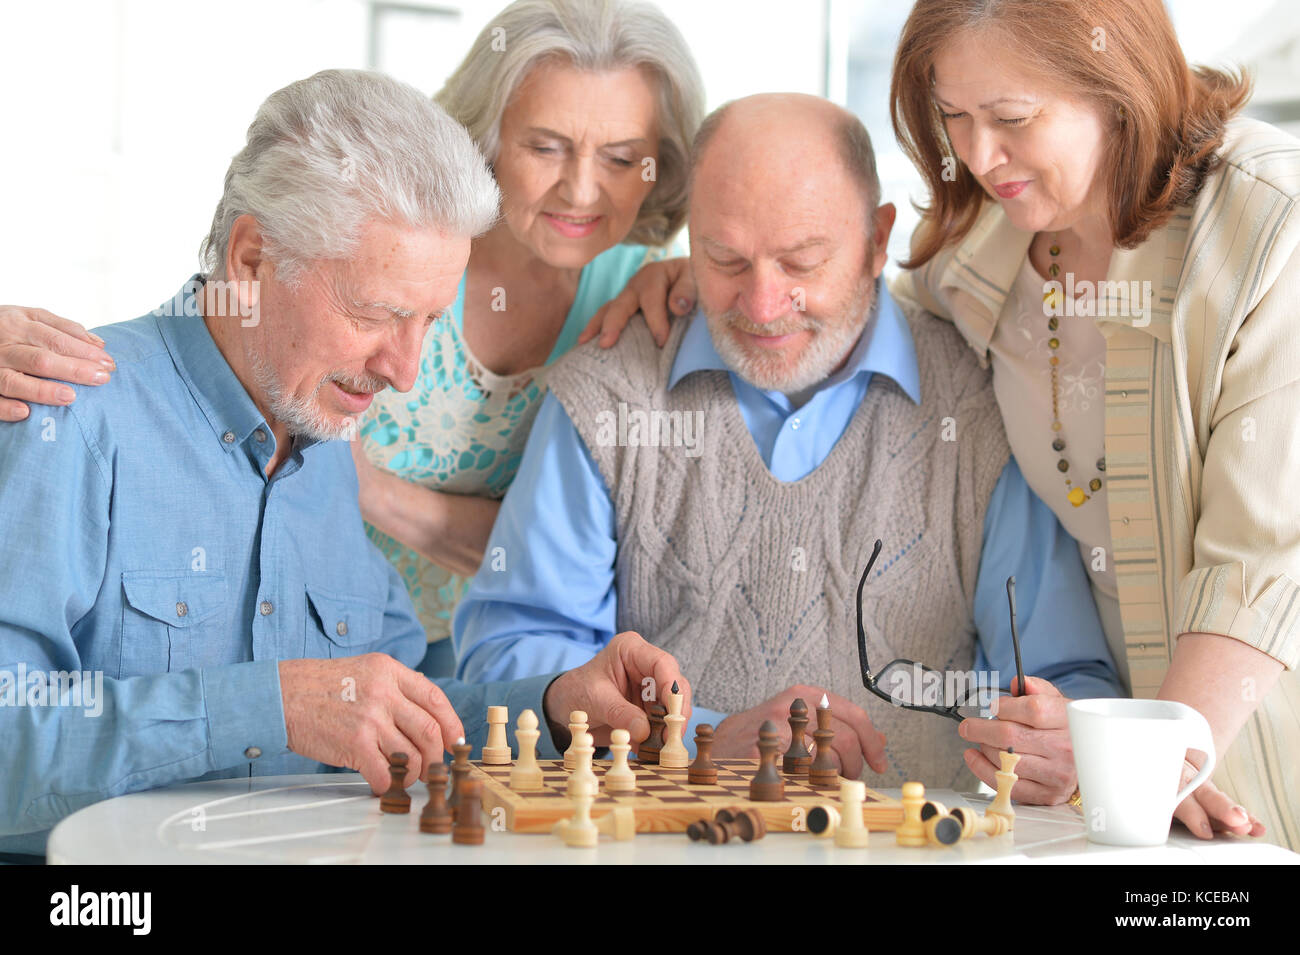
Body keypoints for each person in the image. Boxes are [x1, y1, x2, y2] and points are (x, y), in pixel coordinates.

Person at [590, 0, 1299, 849]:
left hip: (1249, 728)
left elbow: (1264, 560)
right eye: (955, 116)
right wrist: (713, 275)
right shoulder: (971, 250)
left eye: (1011, 118)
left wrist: (1167, 756)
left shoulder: (1269, 225)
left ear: (1117, 83)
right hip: (1119, 767)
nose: (978, 155)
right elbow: (835, 302)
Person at [0, 69, 689, 862]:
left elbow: (407, 705)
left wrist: (558, 704)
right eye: (377, 314)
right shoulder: (66, 411)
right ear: (252, 259)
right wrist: (270, 708)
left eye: (430, 318)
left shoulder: (326, 443)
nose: (404, 370)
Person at [0, 0, 705, 678]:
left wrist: (552, 704)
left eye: (622, 157)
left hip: (460, 658)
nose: (582, 190)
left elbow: (554, 572)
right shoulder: (86, 417)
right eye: (546, 146)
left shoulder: (647, 304)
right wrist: (275, 708)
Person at [453, 93, 1123, 790]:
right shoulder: (607, 395)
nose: (763, 306)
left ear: (878, 241)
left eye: (802, 261)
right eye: (725, 259)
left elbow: (1068, 675)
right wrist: (703, 739)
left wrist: (1062, 739)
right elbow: (509, 665)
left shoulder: (982, 405)